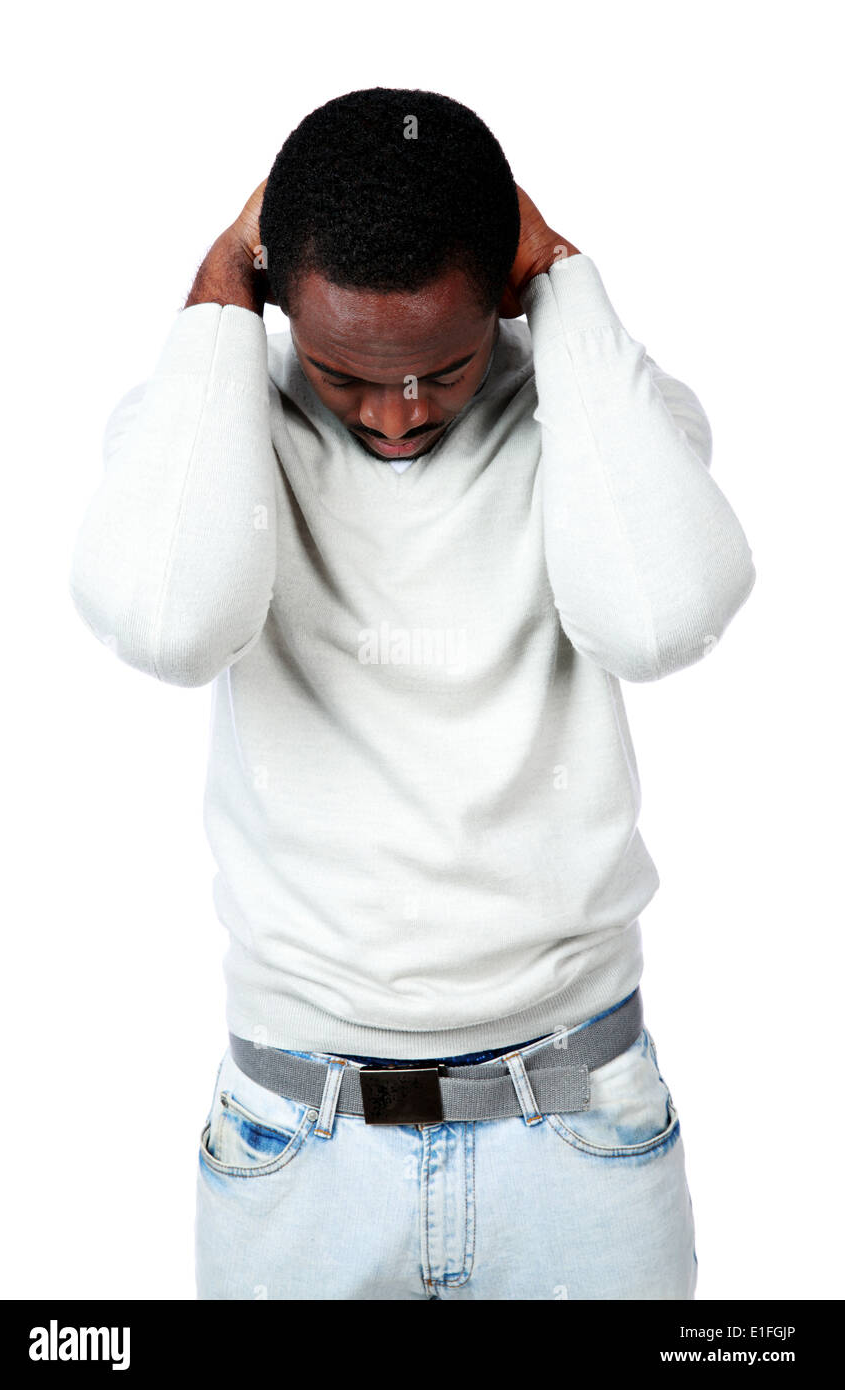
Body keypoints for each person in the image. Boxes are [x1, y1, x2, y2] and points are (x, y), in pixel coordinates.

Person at [68, 86, 756, 1300]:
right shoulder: (210, 431)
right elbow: (169, 623)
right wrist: (219, 287)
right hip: (298, 1137)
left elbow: (657, 616)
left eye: (442, 368)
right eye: (345, 376)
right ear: (280, 309)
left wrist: (565, 280)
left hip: (579, 1126)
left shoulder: (594, 417)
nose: (398, 415)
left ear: (503, 292)